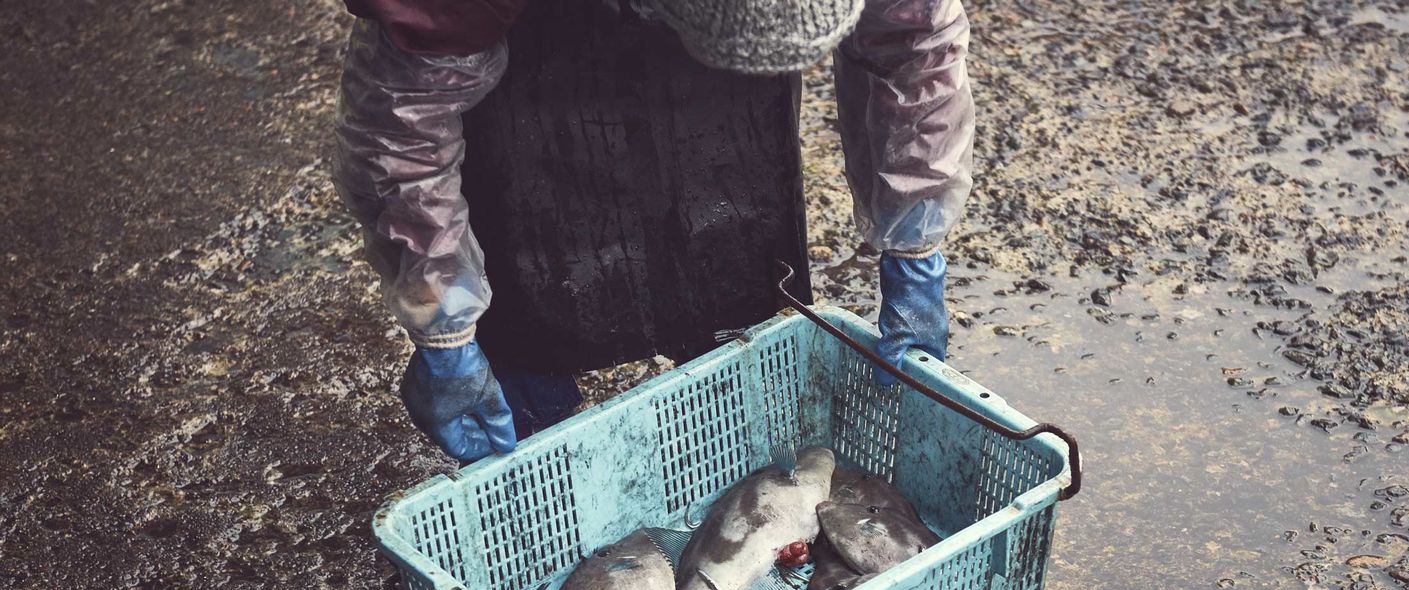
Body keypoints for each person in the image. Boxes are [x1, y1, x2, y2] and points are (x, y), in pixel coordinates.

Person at [333, 0, 973, 462]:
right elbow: (402, 130)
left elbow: (916, 48)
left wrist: (915, 244)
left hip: (726, 129)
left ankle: (727, 434)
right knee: (531, 307)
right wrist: (442, 320)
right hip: (532, 92)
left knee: (733, 282)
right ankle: (531, 434)